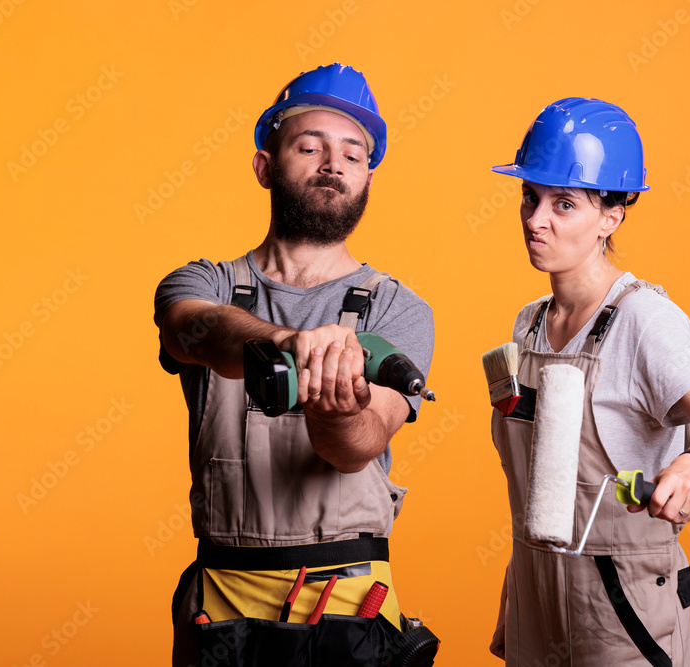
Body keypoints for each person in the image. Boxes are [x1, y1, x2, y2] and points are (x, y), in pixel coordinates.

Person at [154, 64, 435, 666]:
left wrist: (338, 410)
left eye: (353, 155)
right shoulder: (203, 282)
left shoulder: (397, 308)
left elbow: (358, 447)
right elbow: (191, 333)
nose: (333, 164)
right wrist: (291, 342)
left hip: (348, 604)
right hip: (223, 605)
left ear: (366, 177)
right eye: (310, 146)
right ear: (265, 166)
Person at [487, 98, 690, 666]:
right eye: (530, 198)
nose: (537, 219)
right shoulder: (528, 323)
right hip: (534, 589)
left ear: (612, 216)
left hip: (620, 601)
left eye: (564, 203)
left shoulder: (642, 319)